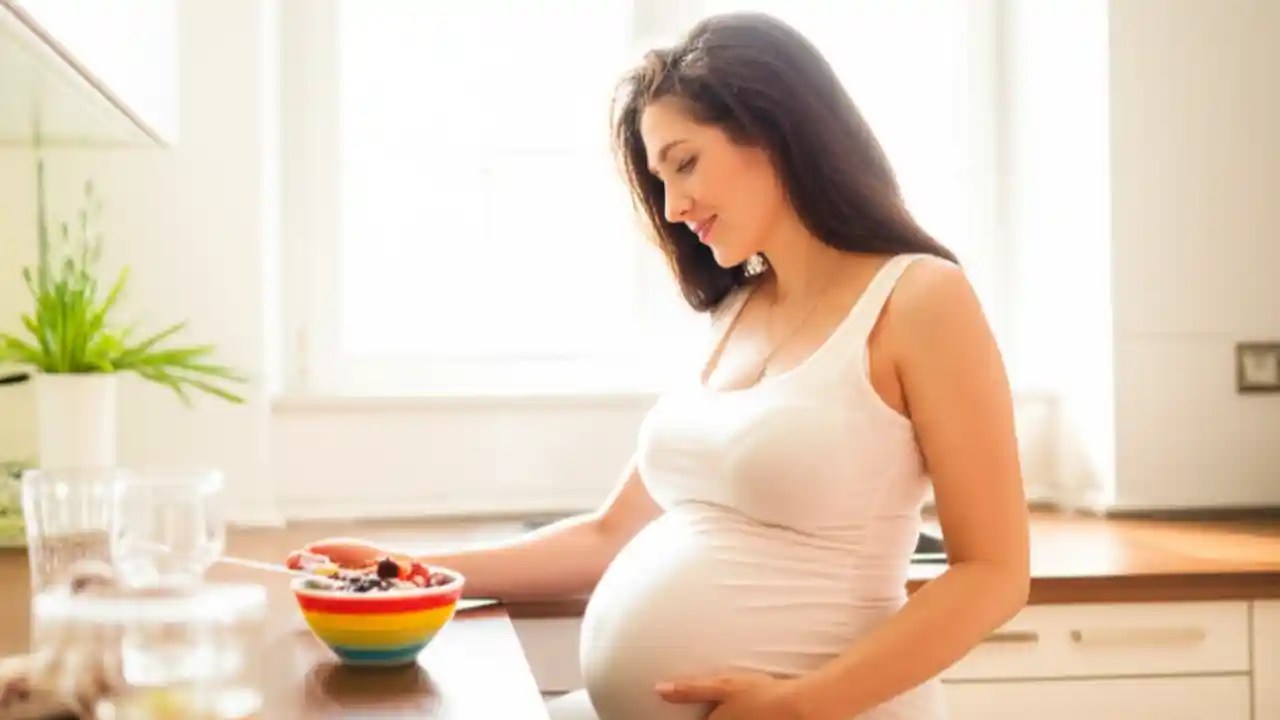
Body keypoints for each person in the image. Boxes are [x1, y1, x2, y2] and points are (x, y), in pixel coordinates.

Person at [300, 11, 1030, 720]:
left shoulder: (920, 297)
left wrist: (800, 704)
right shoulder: (736, 312)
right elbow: (608, 535)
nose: (674, 206)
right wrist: (408, 571)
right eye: (660, 180)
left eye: (685, 163)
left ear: (776, 129)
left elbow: (993, 574)